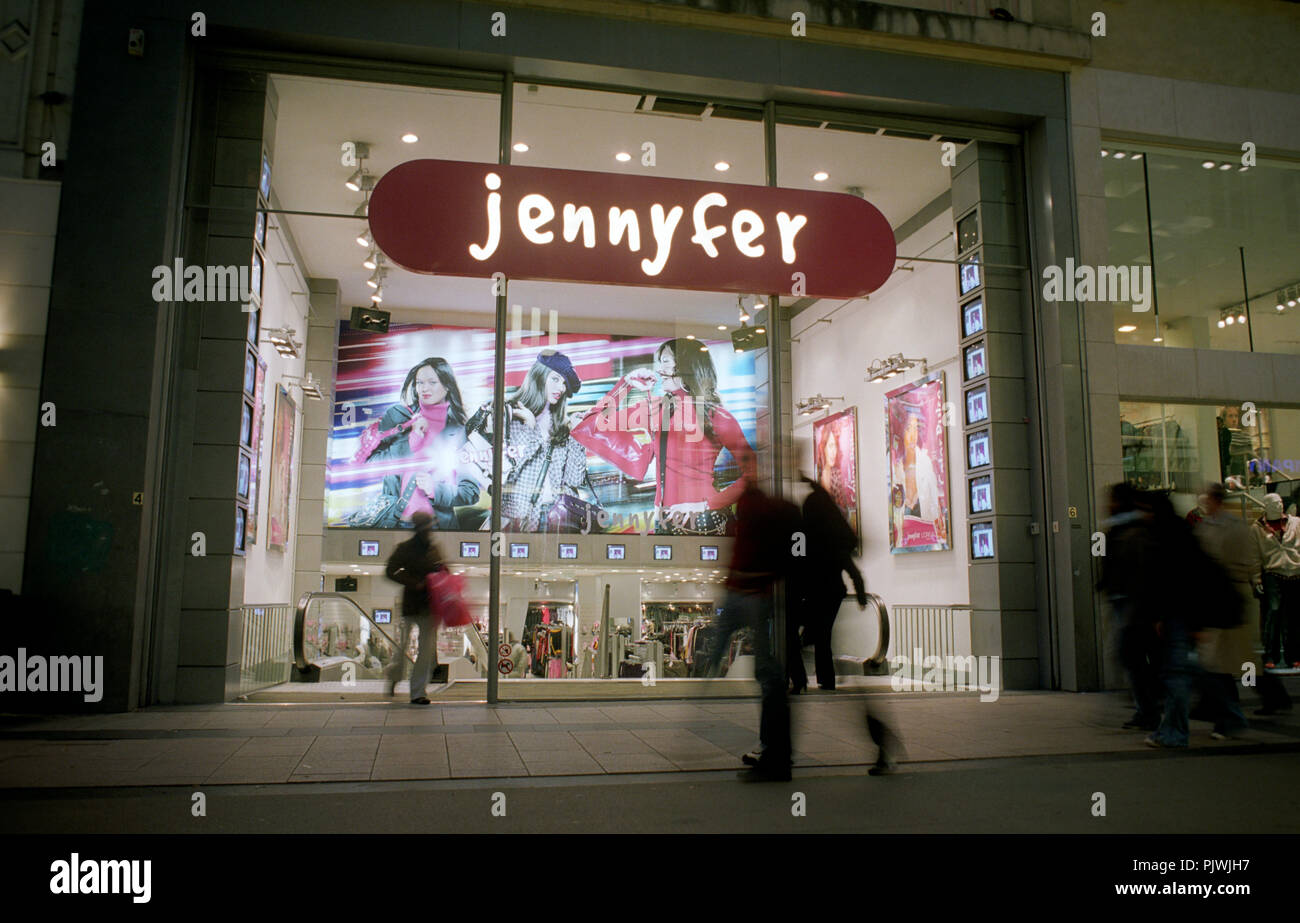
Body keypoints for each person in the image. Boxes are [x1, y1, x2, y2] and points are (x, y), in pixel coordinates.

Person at [573, 338, 757, 535]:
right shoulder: (655, 409)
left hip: (705, 520)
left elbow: (754, 474)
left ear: (686, 365)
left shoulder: (716, 416)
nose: (660, 369)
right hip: (666, 521)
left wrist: (704, 505)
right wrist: (626, 383)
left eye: (666, 361)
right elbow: (592, 422)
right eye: (660, 362)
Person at [699, 480, 801, 782]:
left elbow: (786, 556)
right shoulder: (758, 506)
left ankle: (775, 756)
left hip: (756, 592)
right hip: (753, 591)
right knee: (769, 677)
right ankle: (773, 754)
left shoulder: (772, 509)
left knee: (770, 678)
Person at [353, 357, 479, 528]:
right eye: (419, 383)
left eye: (432, 382)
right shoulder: (399, 417)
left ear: (447, 386)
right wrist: (409, 437)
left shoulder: (457, 431)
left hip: (438, 528)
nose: (424, 388)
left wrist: (435, 489)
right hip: (395, 523)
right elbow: (367, 464)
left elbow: (470, 492)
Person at [471, 350, 590, 532]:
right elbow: (507, 471)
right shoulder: (510, 415)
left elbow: (574, 479)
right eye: (555, 379)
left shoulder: (562, 425)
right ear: (539, 376)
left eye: (564, 383)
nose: (561, 388)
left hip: (558, 520)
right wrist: (531, 428)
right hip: (519, 519)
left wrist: (577, 437)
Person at [794, 474, 867, 693]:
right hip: (833, 595)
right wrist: (861, 596)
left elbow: (798, 564)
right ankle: (826, 681)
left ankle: (801, 679)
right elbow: (853, 571)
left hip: (815, 595)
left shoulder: (807, 539)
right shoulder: (833, 540)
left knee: (804, 635)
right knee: (823, 637)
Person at [1098, 482, 1162, 731]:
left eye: (1113, 499)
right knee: (1134, 657)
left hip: (1133, 603)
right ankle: (1147, 707)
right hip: (1125, 601)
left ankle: (1149, 709)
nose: (1109, 504)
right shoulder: (1118, 529)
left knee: (1132, 656)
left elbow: (1137, 571)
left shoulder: (1132, 531)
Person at [1192, 483, 1251, 739]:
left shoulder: (1225, 528)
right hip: (1220, 600)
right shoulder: (1213, 527)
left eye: (1206, 499)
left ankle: (1230, 716)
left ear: (1215, 500)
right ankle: (1228, 715)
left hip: (1222, 601)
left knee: (1214, 663)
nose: (1203, 504)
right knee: (1217, 663)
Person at [383, 511, 446, 704]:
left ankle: (418, 692)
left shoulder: (433, 549)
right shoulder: (406, 549)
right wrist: (414, 583)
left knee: (425, 652)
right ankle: (394, 677)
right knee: (402, 649)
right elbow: (390, 571)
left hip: (428, 606)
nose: (428, 530)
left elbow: (442, 570)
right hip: (412, 605)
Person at [1252, 492, 1300, 670]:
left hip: (1295, 572)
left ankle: (1293, 655)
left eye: (1280, 502)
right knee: (1274, 612)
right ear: (1266, 506)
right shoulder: (1257, 528)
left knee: (1294, 616)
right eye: (1274, 503)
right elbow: (1255, 556)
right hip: (1273, 573)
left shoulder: (1296, 523)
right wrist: (1256, 578)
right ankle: (1270, 654)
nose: (1278, 505)